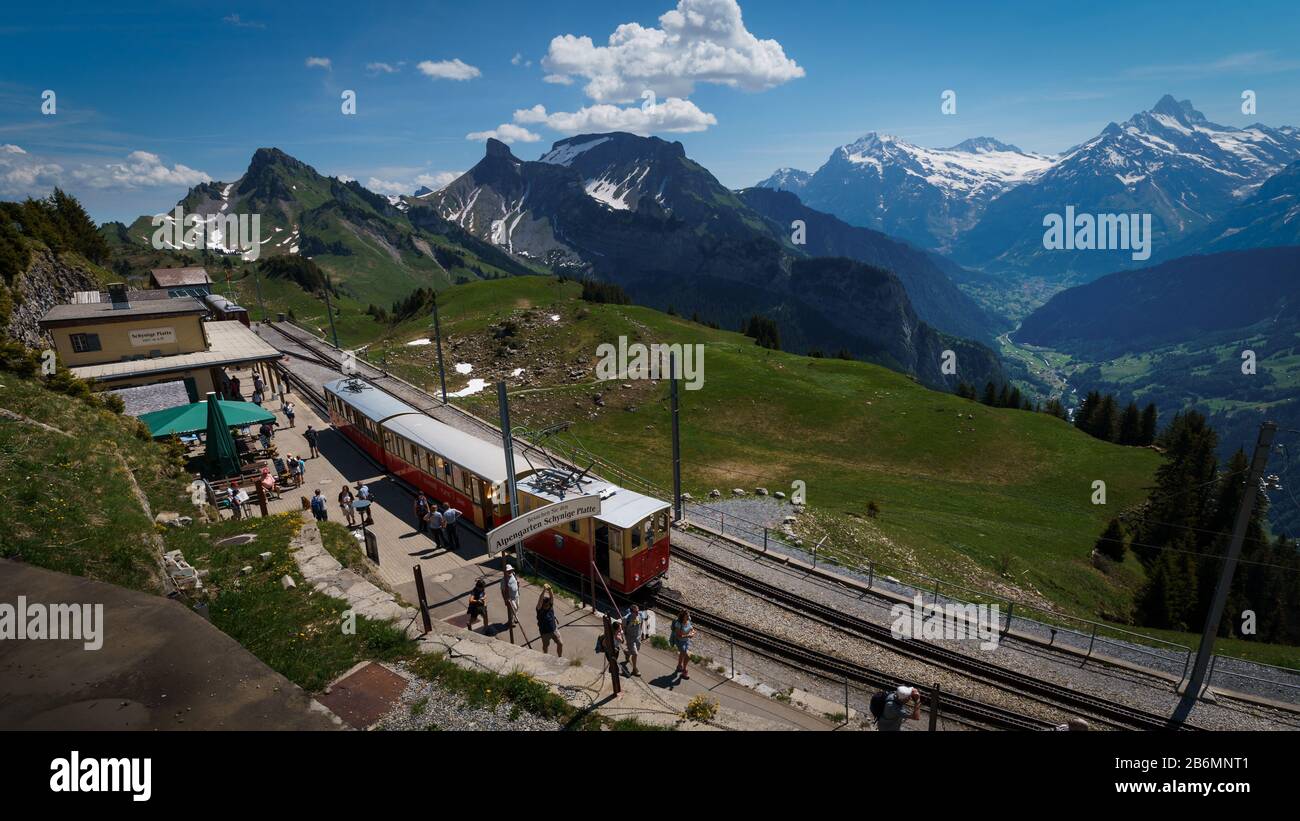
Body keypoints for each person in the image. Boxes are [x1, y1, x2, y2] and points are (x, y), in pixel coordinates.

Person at [536, 584, 563, 657]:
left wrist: (550, 589)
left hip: (554, 629)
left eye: (548, 603)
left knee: (560, 643)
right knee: (546, 646)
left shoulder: (550, 606)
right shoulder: (539, 609)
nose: (548, 605)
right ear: (543, 604)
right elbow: (540, 600)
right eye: (546, 604)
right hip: (545, 632)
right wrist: (544, 590)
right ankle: (545, 656)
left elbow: (552, 597)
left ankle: (560, 657)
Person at [670, 609, 696, 680]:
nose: (688, 617)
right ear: (683, 617)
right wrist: (688, 635)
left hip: (686, 641)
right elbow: (678, 636)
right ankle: (684, 671)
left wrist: (693, 633)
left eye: (688, 616)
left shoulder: (688, 620)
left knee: (682, 653)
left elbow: (692, 629)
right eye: (687, 616)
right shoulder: (678, 624)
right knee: (688, 655)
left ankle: (679, 666)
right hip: (680, 642)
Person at [622, 604, 644, 677]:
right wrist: (623, 637)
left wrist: (641, 634)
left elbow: (641, 624)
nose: (637, 613)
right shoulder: (626, 619)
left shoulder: (640, 615)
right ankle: (635, 670)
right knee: (635, 654)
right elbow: (623, 628)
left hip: (637, 638)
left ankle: (627, 652)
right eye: (635, 612)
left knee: (635, 651)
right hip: (630, 638)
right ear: (631, 612)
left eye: (638, 611)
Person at [500, 564, 520, 628]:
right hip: (510, 598)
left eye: (510, 570)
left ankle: (515, 618)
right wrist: (505, 600)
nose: (509, 572)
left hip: (516, 595)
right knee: (514, 609)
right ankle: (511, 622)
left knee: (517, 607)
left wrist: (518, 585)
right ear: (505, 572)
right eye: (508, 571)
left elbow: (516, 581)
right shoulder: (503, 580)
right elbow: (502, 591)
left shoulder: (513, 574)